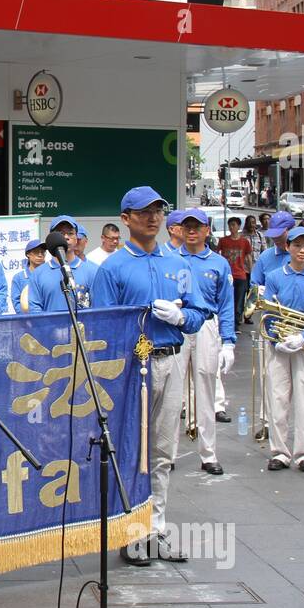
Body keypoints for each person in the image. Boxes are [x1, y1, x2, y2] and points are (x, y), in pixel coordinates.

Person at [90, 187, 207, 565]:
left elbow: (198, 312)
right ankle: (131, 531)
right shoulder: (113, 268)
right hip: (132, 366)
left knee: (162, 452)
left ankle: (155, 529)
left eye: (157, 210)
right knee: (132, 450)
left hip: (171, 357)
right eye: (143, 212)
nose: (153, 218)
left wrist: (180, 317)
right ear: (126, 219)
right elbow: (102, 326)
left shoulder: (178, 263)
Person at [260, 227, 304, 473]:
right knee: (277, 399)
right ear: (288, 247)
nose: (302, 250)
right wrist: (275, 340)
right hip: (280, 345)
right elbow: (268, 310)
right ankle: (279, 452)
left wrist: (303, 337)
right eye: (297, 245)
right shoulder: (275, 276)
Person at [178, 209, 236, 474]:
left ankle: (208, 454)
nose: (192, 230)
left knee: (206, 388)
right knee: (171, 391)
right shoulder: (169, 259)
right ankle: (167, 455)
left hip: (206, 325)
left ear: (206, 230)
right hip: (176, 324)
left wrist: (229, 342)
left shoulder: (219, 263)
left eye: (197, 226)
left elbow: (226, 305)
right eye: (187, 226)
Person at [28, 214, 97, 313]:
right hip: (50, 328)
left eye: (70, 233)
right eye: (60, 233)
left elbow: (98, 309)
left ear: (76, 238)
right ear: (51, 238)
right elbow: (35, 310)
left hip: (81, 327)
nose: (66, 237)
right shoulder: (38, 274)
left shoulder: (92, 271)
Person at [218, 216, 252, 326]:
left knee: (239, 300)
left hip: (240, 275)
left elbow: (248, 257)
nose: (231, 227)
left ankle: (236, 322)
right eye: (230, 225)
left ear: (238, 226)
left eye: (234, 225)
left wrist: (250, 272)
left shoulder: (244, 242)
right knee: (227, 299)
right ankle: (227, 321)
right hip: (227, 275)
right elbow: (217, 254)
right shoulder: (223, 241)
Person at [249, 211, 295, 291]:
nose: (275, 238)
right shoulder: (265, 257)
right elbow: (254, 285)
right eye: (273, 234)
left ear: (290, 231)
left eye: (279, 234)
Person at [10, 237, 47, 313]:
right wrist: (29, 319)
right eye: (36, 252)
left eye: (43, 252)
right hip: (27, 321)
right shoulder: (19, 278)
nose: (40, 255)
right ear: (28, 254)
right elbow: (17, 304)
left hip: (50, 319)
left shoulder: (50, 274)